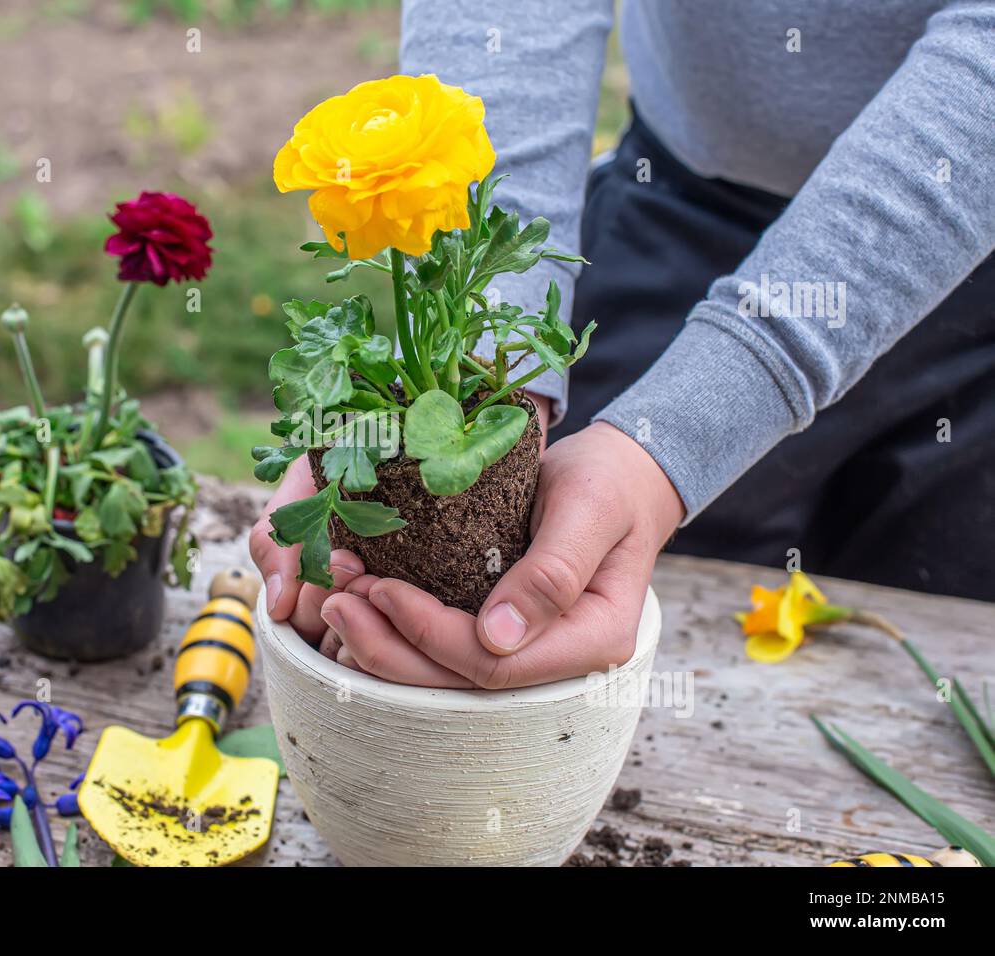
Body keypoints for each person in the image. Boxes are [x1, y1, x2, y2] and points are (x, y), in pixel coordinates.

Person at [249, 0, 995, 689]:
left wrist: (674, 441)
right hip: (682, 204)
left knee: (934, 673)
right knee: (649, 635)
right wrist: (487, 352)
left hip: (972, 255)